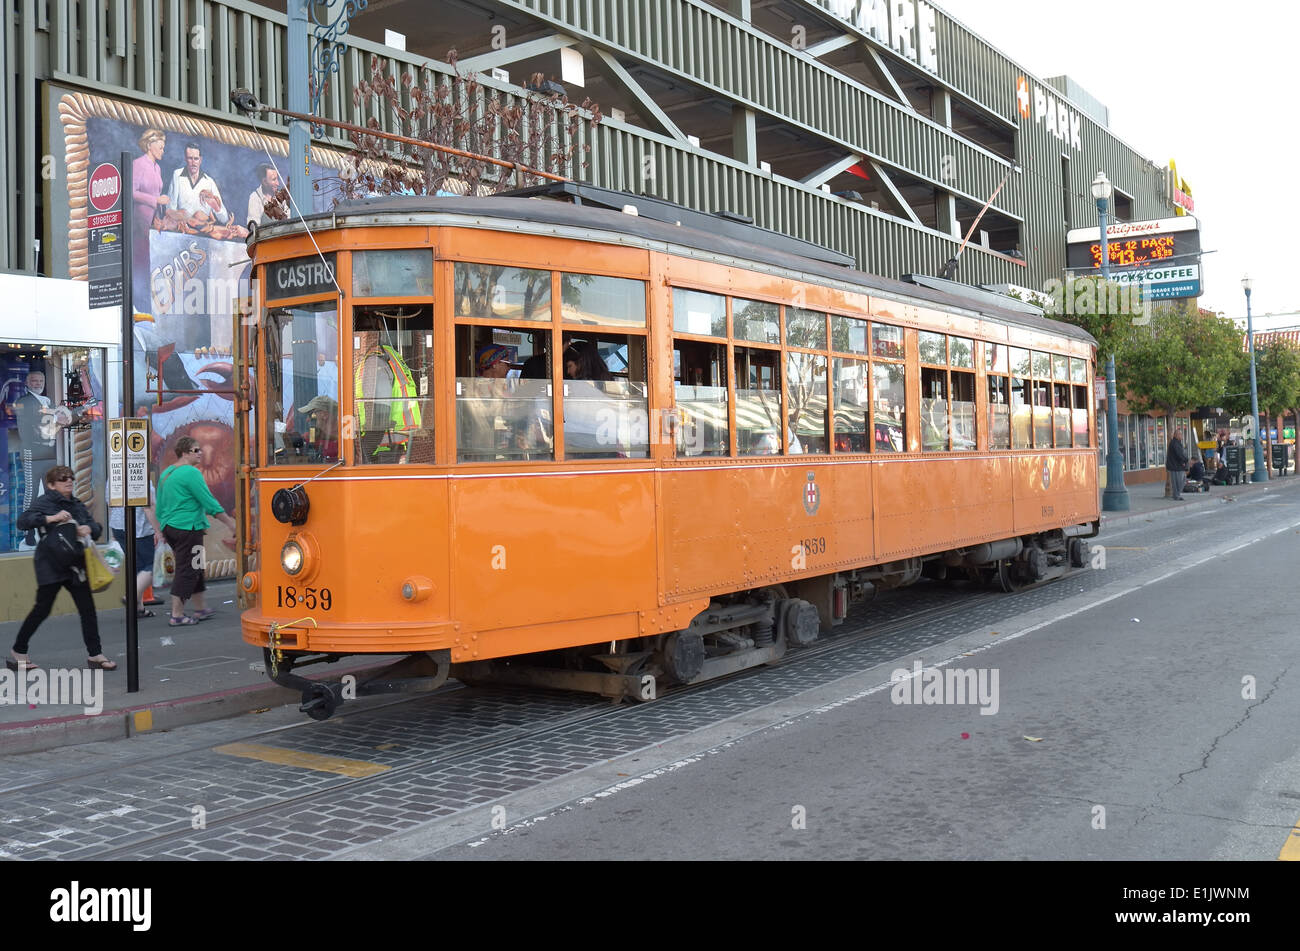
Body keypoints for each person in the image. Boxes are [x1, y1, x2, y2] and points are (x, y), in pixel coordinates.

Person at [10, 466, 116, 671]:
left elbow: (96, 528)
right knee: (42, 609)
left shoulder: (76, 504)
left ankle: (95, 654)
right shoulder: (45, 502)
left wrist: (89, 529)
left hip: (75, 565)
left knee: (88, 610)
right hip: (51, 563)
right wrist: (50, 518)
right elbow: (22, 522)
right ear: (51, 484)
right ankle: (18, 651)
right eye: (62, 479)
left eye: (71, 478)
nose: (69, 481)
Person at [156, 436, 237, 626]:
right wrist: (230, 524)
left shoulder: (167, 473)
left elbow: (160, 505)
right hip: (187, 528)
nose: (201, 453)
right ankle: (177, 614)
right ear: (184, 453)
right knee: (187, 569)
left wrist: (162, 528)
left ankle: (200, 608)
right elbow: (209, 503)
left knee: (196, 566)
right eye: (196, 450)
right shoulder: (191, 473)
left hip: (172, 527)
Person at [106, 476, 163, 617]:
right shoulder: (140, 475)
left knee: (137, 568)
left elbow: (110, 503)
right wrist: (158, 531)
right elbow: (147, 506)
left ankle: (138, 608)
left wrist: (113, 532)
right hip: (139, 529)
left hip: (118, 526)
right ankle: (131, 596)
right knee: (154, 565)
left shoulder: (114, 476)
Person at [14, 369, 61, 540]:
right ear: (27, 383)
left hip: (49, 453)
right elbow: (40, 425)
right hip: (32, 454)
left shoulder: (48, 401)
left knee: (50, 493)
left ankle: (46, 529)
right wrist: (58, 417)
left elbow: (58, 421)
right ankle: (29, 531)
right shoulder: (24, 401)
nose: (38, 384)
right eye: (34, 381)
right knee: (31, 493)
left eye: (41, 381)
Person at [166, 142, 230, 225]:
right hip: (181, 229)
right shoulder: (177, 175)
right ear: (185, 159)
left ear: (200, 160)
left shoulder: (209, 182)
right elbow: (170, 208)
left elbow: (224, 219)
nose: (193, 163)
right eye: (190, 158)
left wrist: (216, 207)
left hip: (203, 232)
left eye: (196, 159)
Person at [246, 163, 282, 229]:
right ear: (264, 182)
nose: (278, 183)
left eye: (277, 179)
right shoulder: (255, 198)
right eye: (274, 179)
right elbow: (254, 228)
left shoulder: (280, 197)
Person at [1166, 427, 1189, 500]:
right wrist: (1186, 460)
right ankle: (1176, 495)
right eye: (1180, 434)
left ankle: (1177, 495)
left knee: (1179, 481)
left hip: (1176, 466)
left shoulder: (1176, 443)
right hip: (1176, 466)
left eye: (1181, 434)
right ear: (1176, 435)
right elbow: (1179, 454)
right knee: (1178, 482)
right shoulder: (1175, 443)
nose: (1181, 436)